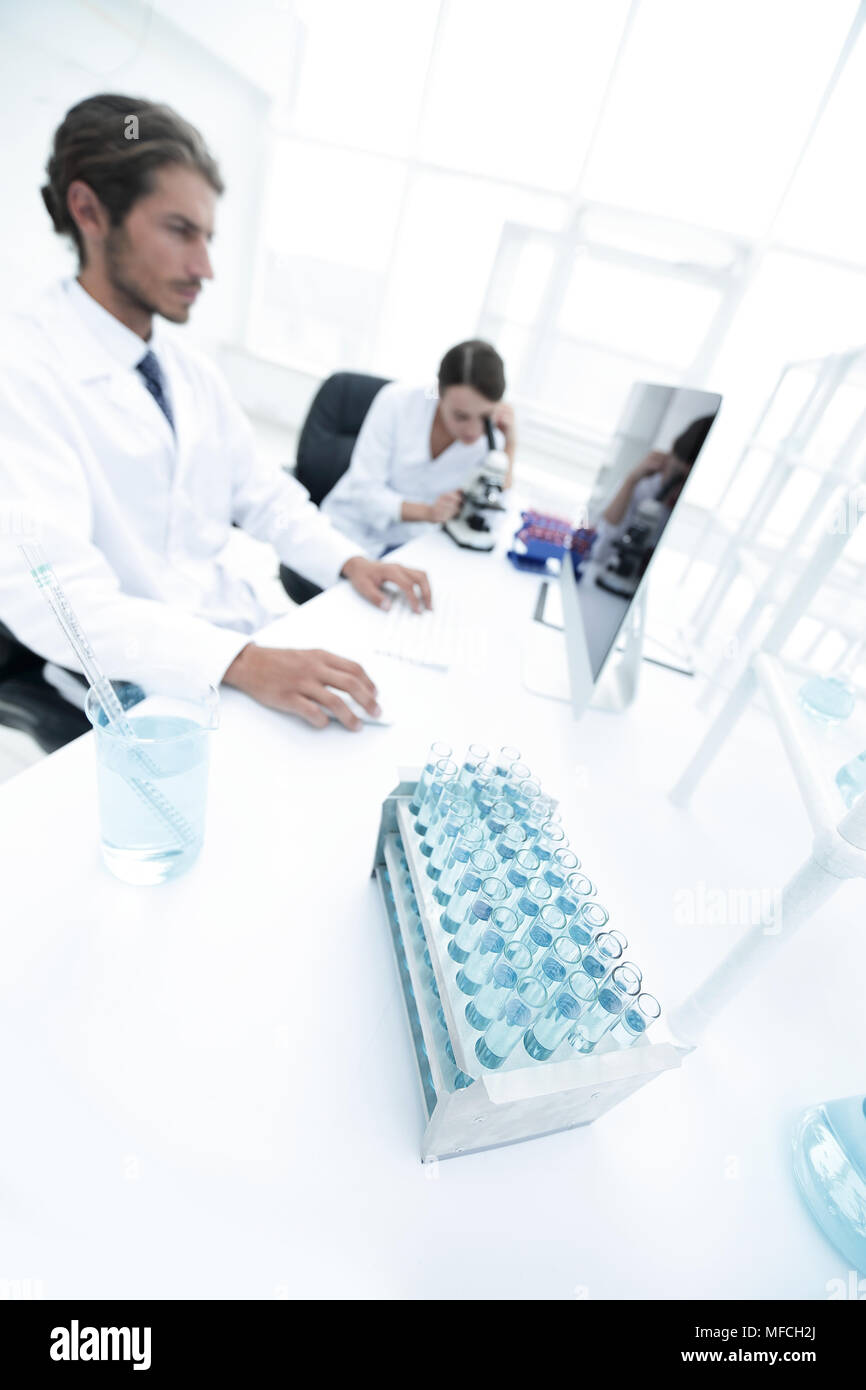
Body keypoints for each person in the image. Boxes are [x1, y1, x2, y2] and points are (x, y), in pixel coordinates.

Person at [0, 94, 432, 734]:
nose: (204, 268)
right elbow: (57, 597)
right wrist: (242, 663)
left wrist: (349, 562)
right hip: (139, 689)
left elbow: (262, 493)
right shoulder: (22, 373)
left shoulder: (187, 370)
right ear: (89, 211)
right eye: (179, 230)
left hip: (241, 638)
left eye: (207, 236)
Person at [320, 340, 516, 556]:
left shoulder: (492, 439)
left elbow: (494, 515)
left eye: (485, 417)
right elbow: (364, 492)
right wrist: (428, 512)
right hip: (347, 532)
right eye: (461, 416)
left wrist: (510, 445)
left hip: (412, 546)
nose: (473, 430)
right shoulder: (397, 402)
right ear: (439, 392)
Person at [591, 416, 716, 564]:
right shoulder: (644, 483)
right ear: (669, 456)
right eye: (677, 475)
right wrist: (631, 480)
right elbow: (605, 536)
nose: (676, 488)